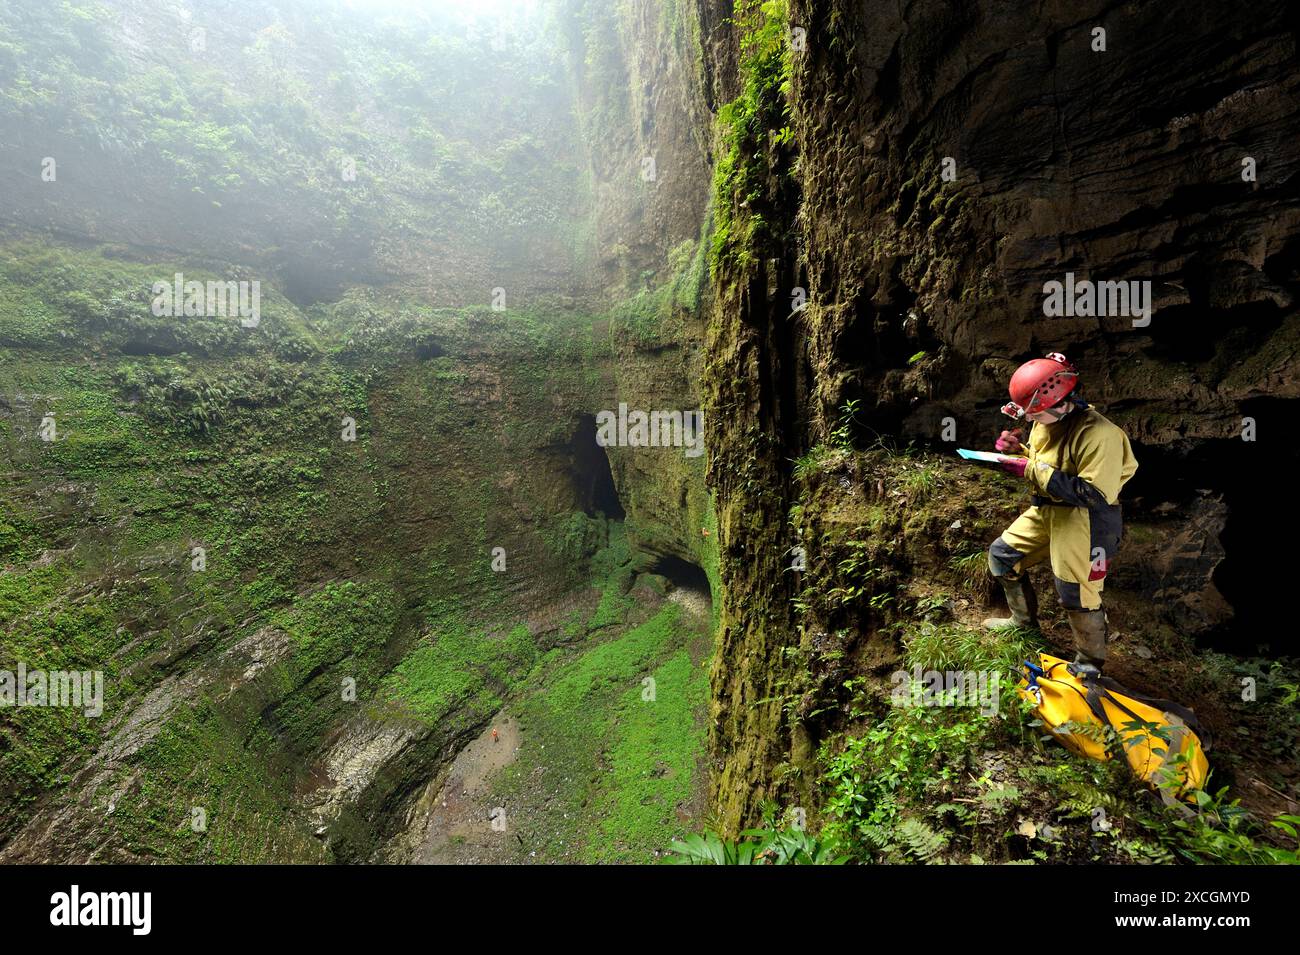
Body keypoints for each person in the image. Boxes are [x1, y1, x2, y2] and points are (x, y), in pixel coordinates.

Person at [982, 353, 1138, 673]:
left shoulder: (1100, 435)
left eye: (1035, 413)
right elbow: (1046, 463)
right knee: (1002, 556)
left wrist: (1028, 469)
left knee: (1075, 592)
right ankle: (1023, 623)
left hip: (1088, 518)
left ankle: (1089, 665)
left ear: (1061, 402)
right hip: (1049, 509)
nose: (1029, 420)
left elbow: (1092, 494)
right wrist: (1018, 453)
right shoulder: (1048, 422)